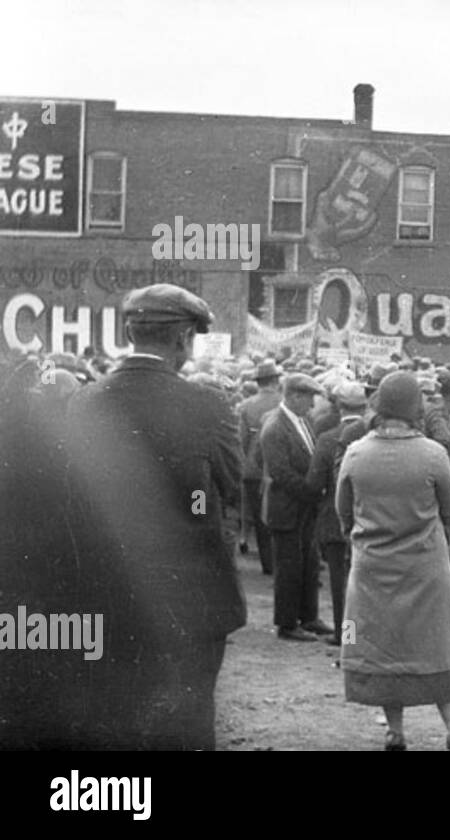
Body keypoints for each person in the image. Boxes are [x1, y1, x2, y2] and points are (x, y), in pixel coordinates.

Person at [64, 283, 245, 748]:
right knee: (187, 718)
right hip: (192, 597)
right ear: (184, 339)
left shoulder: (83, 402)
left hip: (106, 593)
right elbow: (231, 485)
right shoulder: (206, 404)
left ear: (129, 332)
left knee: (114, 716)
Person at [337, 372, 450, 751]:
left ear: (378, 406)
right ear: (417, 408)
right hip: (426, 566)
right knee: (440, 644)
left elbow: (344, 512)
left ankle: (394, 731)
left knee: (382, 646)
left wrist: (362, 544)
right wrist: (438, 550)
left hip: (371, 568)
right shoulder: (433, 454)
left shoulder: (356, 453)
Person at [261, 372, 331, 641]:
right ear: (293, 396)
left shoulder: (303, 422)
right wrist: (312, 491)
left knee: (308, 563)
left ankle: (309, 616)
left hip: (302, 507)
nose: (312, 404)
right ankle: (287, 623)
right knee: (289, 567)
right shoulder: (276, 427)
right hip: (287, 507)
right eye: (308, 398)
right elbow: (281, 472)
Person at [306, 381, 368, 645]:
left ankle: (348, 636)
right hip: (369, 519)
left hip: (334, 518)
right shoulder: (372, 436)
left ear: (339, 406)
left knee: (341, 584)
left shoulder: (327, 438)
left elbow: (314, 484)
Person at [236, 359, 283, 573]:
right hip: (281, 467)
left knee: (260, 516)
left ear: (259, 382)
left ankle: (268, 563)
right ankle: (281, 560)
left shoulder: (246, 406)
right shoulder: (284, 403)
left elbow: (242, 440)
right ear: (275, 380)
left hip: (253, 469)